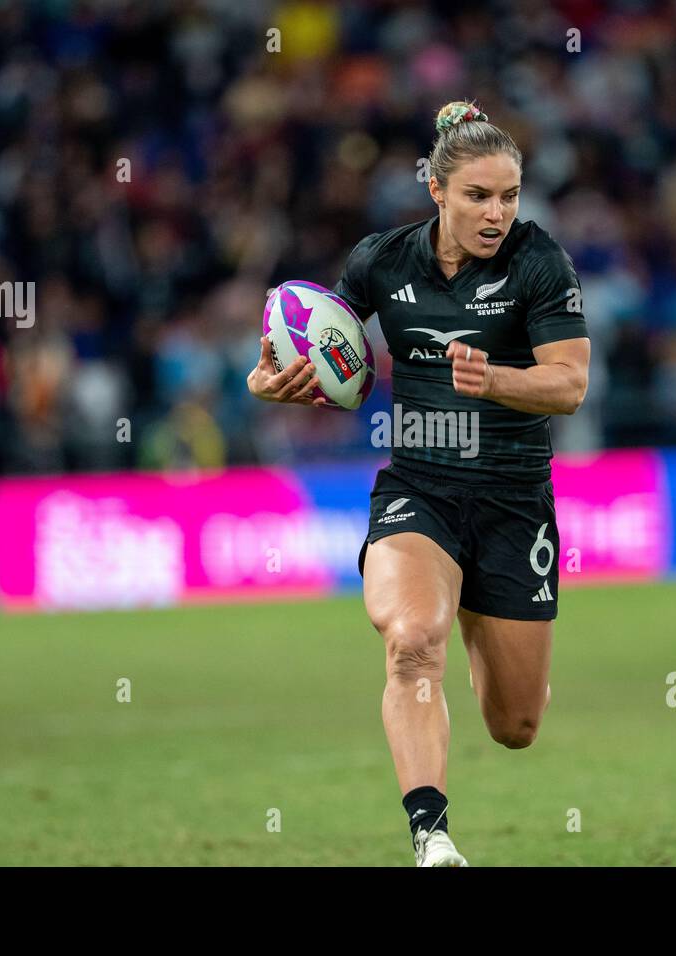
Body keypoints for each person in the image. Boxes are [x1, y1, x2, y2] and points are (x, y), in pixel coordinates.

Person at [247, 100, 589, 866]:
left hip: (513, 500)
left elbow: (569, 386)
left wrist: (495, 378)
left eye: (509, 196)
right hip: (419, 491)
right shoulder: (382, 261)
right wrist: (276, 379)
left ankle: (472, 607)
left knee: (515, 725)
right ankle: (431, 836)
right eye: (478, 196)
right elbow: (326, 349)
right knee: (410, 642)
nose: (497, 213)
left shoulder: (540, 263)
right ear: (437, 191)